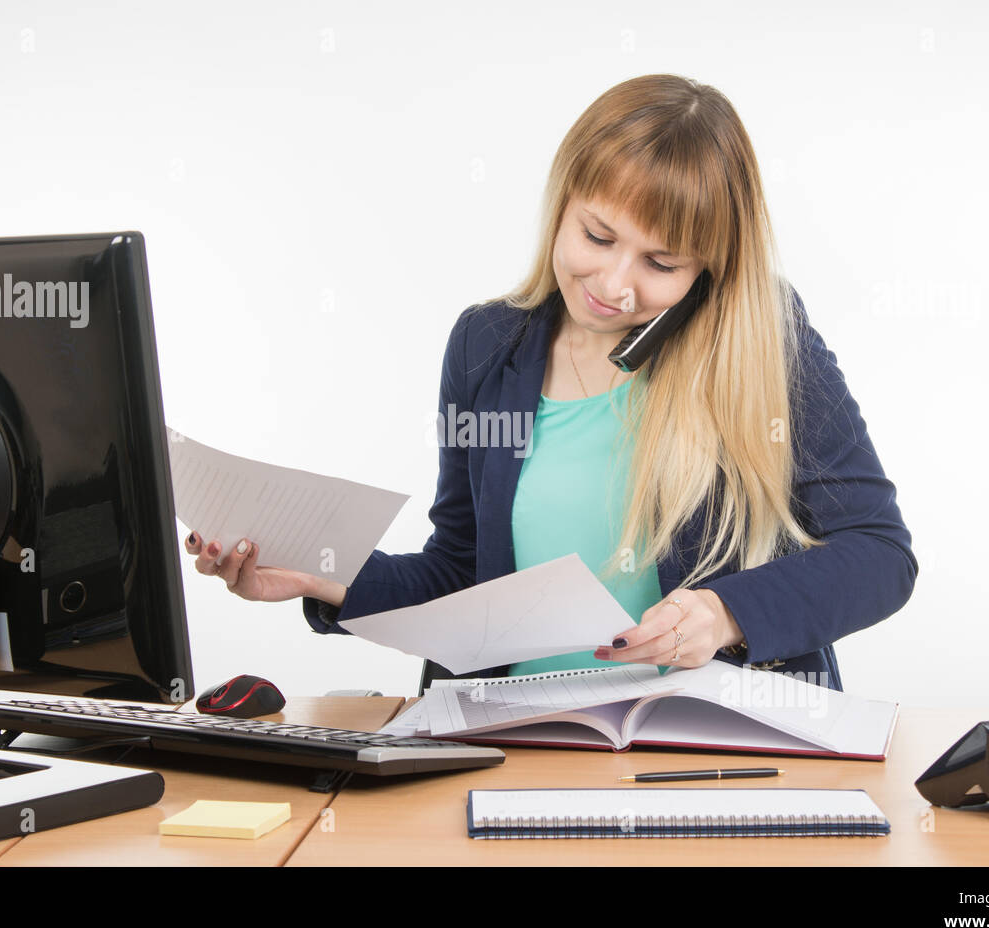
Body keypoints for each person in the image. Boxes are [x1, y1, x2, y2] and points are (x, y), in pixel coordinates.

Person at [184, 74, 917, 693]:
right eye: (597, 237)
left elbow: (880, 553)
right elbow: (464, 578)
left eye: (661, 263)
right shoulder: (485, 347)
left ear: (710, 268)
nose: (614, 285)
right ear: (562, 203)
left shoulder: (762, 341)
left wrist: (725, 613)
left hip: (713, 753)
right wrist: (323, 574)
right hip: (521, 747)